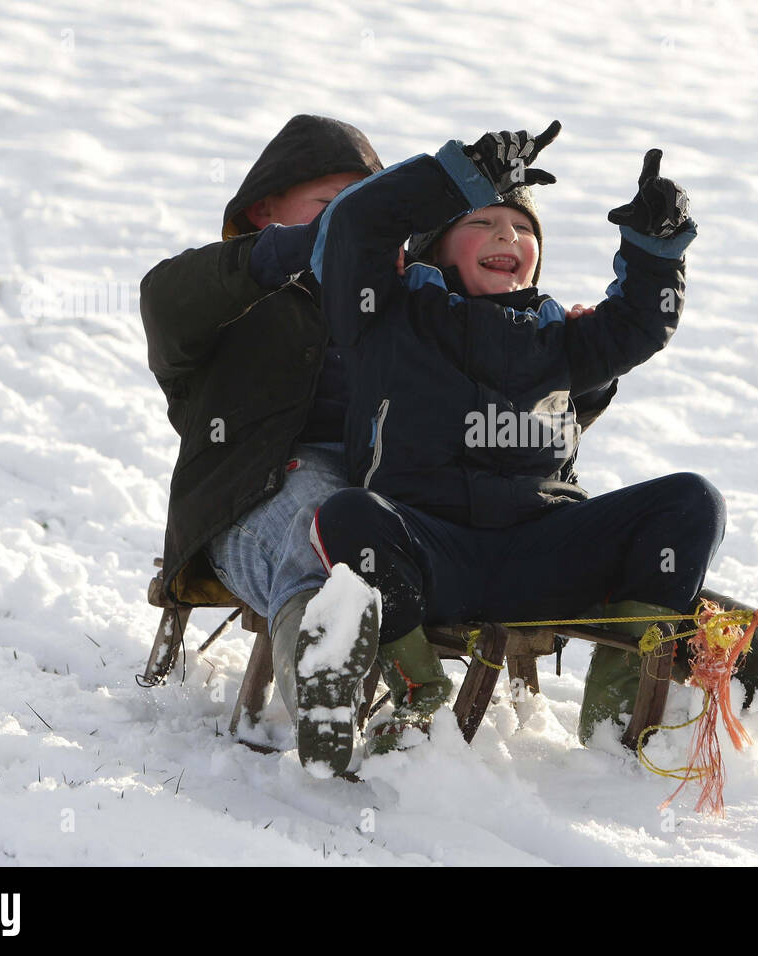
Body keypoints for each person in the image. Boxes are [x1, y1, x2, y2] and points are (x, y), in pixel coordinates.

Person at [139, 116, 617, 771]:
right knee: (317, 527)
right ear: (261, 212)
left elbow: (508, 431)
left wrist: (579, 376)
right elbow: (165, 301)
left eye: (368, 205)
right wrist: (307, 247)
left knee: (606, 534)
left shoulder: (414, 308)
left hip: (409, 497)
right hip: (265, 487)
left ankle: (750, 661)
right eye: (333, 204)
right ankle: (321, 688)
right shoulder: (232, 295)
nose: (354, 220)